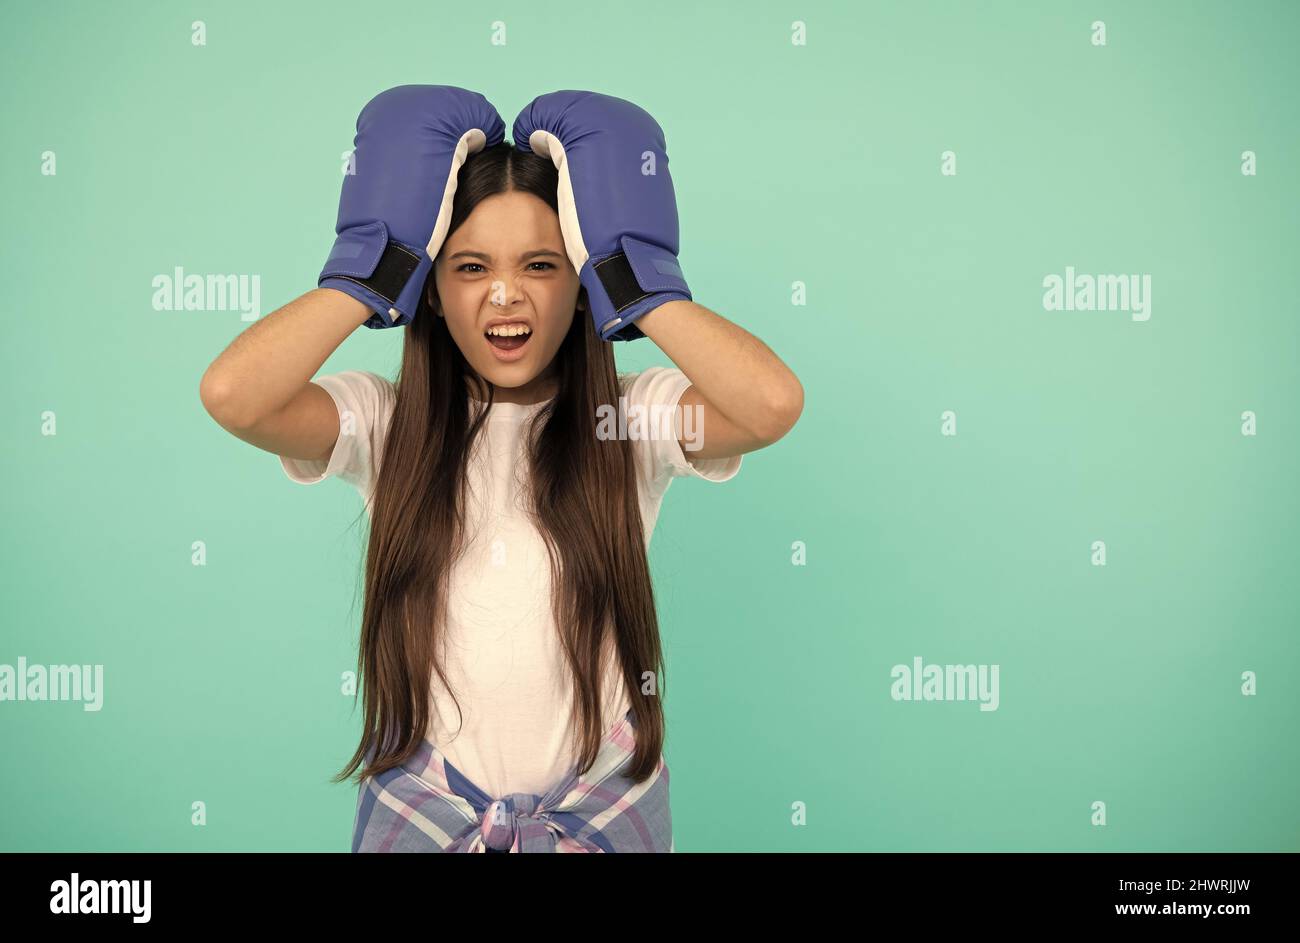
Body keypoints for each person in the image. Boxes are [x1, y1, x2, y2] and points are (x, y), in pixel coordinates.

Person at [199, 86, 803, 852]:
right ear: (432, 291)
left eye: (543, 265)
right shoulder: (387, 425)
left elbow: (772, 404)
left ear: (582, 286)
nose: (505, 292)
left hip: (599, 816)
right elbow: (233, 395)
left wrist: (633, 279)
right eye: (470, 266)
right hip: (429, 815)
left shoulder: (632, 421)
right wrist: (372, 268)